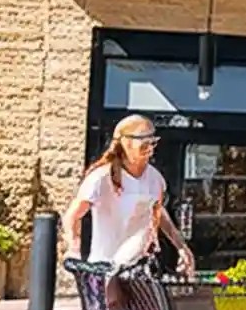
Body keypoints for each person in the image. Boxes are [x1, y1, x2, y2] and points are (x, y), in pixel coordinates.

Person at [62, 114, 194, 272]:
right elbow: (72, 216)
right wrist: (74, 248)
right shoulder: (100, 178)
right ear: (126, 144)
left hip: (138, 269)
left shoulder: (155, 179)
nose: (150, 150)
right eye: (144, 145)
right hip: (103, 267)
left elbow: (158, 212)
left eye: (153, 143)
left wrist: (181, 247)